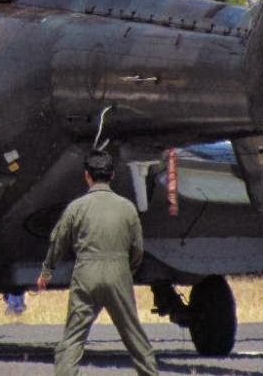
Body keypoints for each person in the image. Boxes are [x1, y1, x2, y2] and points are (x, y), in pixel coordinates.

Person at [36, 150, 158, 376]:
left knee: (73, 339)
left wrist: (47, 271)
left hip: (86, 274)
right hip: (119, 273)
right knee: (134, 336)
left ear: (87, 176)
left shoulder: (77, 207)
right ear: (112, 175)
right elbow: (138, 249)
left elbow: (58, 240)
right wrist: (125, 272)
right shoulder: (127, 208)